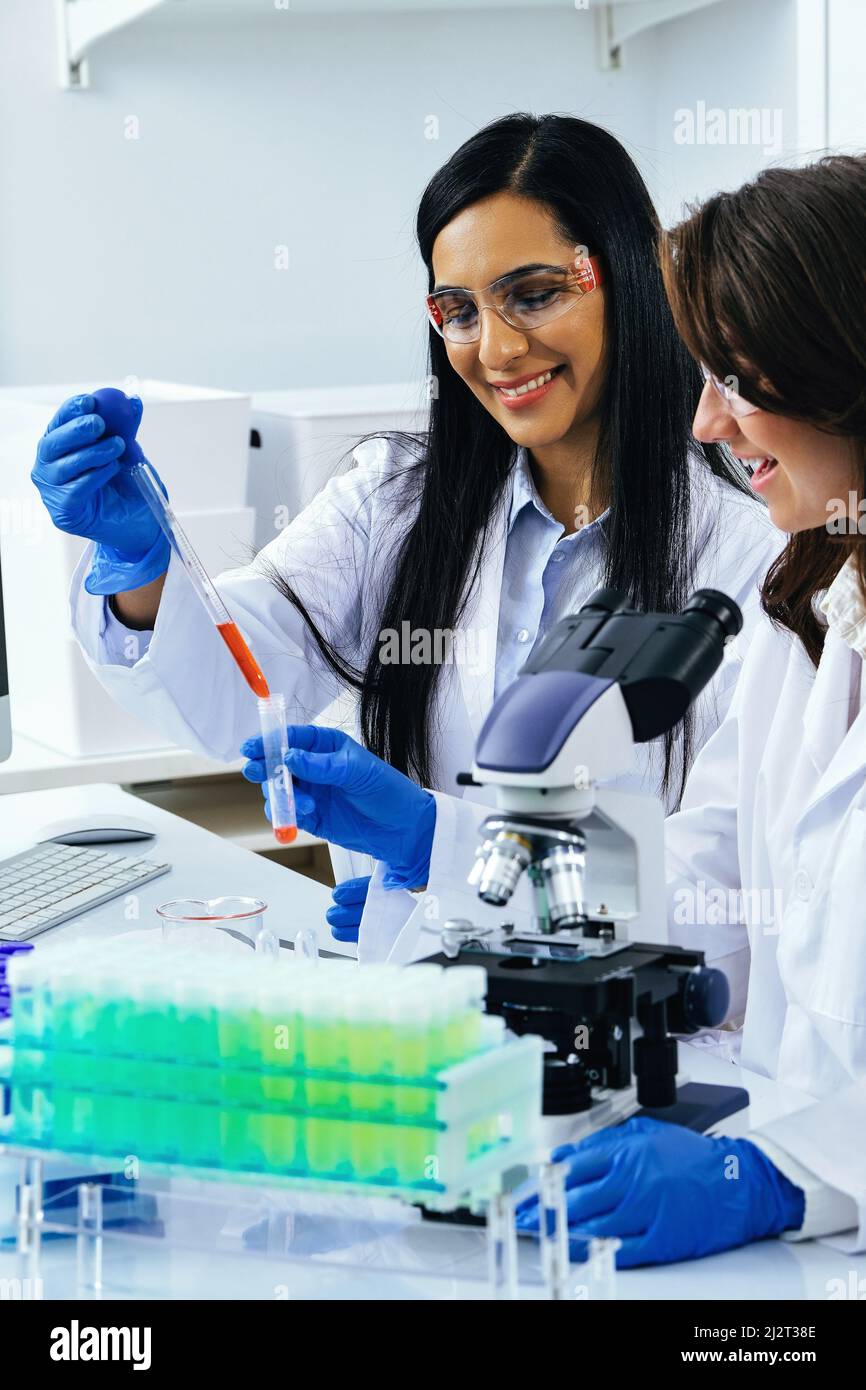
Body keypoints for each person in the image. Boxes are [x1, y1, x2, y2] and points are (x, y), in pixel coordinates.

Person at [33, 114, 777, 958]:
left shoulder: (749, 561)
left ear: (630, 278)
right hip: (421, 1024)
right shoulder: (395, 502)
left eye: (535, 294)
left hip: (646, 1046)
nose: (496, 348)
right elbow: (238, 695)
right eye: (458, 311)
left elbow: (724, 886)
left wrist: (441, 853)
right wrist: (141, 567)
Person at [517, 154, 866, 1264]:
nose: (707, 423)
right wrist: (500, 922)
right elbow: (714, 865)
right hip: (790, 1219)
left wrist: (784, 1171)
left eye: (737, 380)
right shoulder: (804, 612)